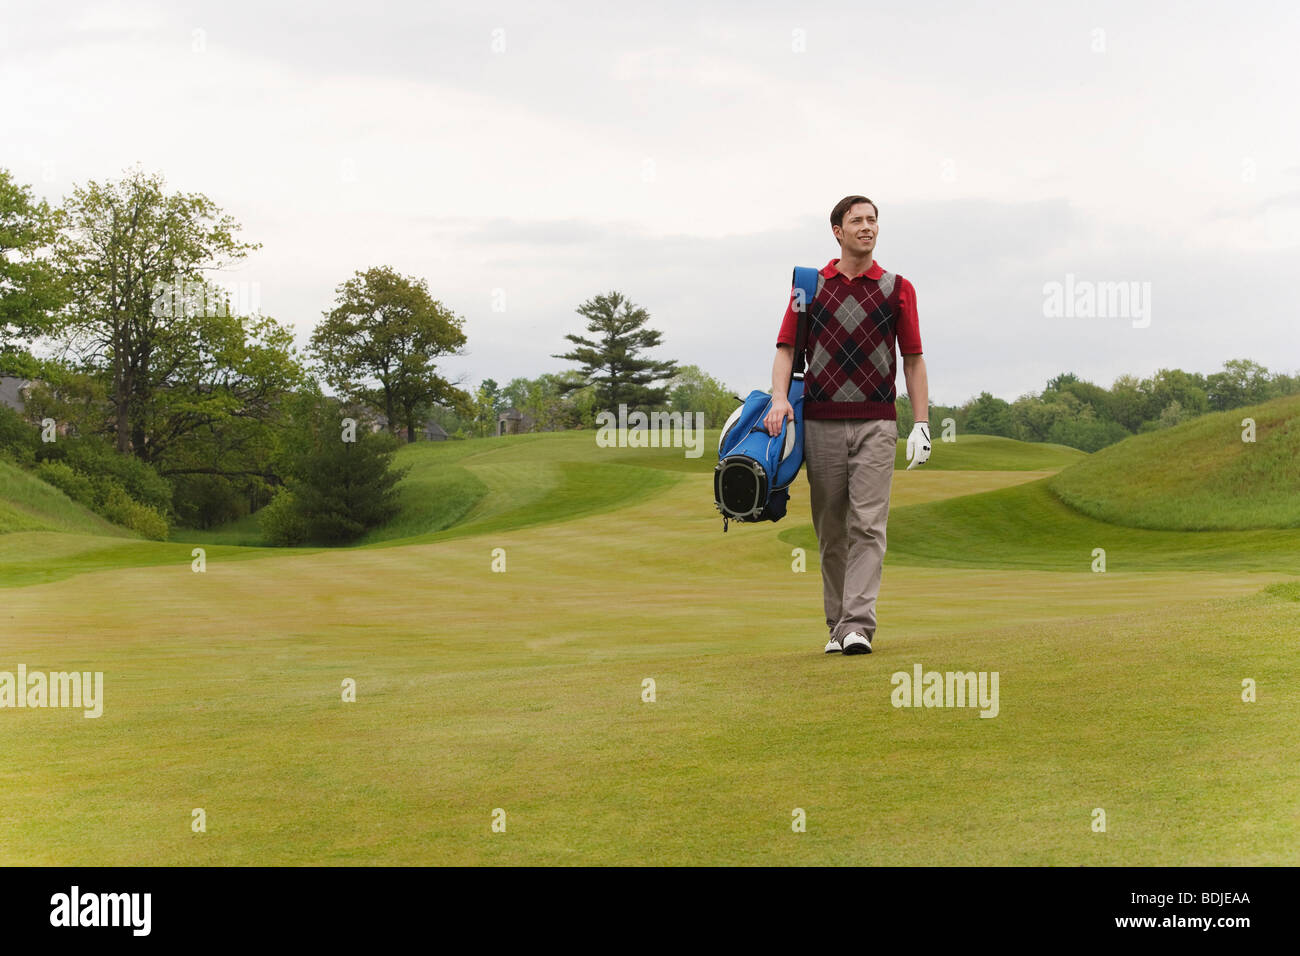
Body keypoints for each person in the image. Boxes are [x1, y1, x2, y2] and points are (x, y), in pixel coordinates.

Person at [764, 195, 931, 656]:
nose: (866, 227)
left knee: (869, 524)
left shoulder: (899, 288)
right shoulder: (810, 286)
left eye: (872, 219)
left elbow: (913, 361)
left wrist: (921, 423)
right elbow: (784, 350)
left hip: (877, 423)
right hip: (821, 422)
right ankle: (837, 626)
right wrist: (780, 398)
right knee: (831, 530)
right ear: (837, 231)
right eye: (856, 220)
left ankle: (858, 624)